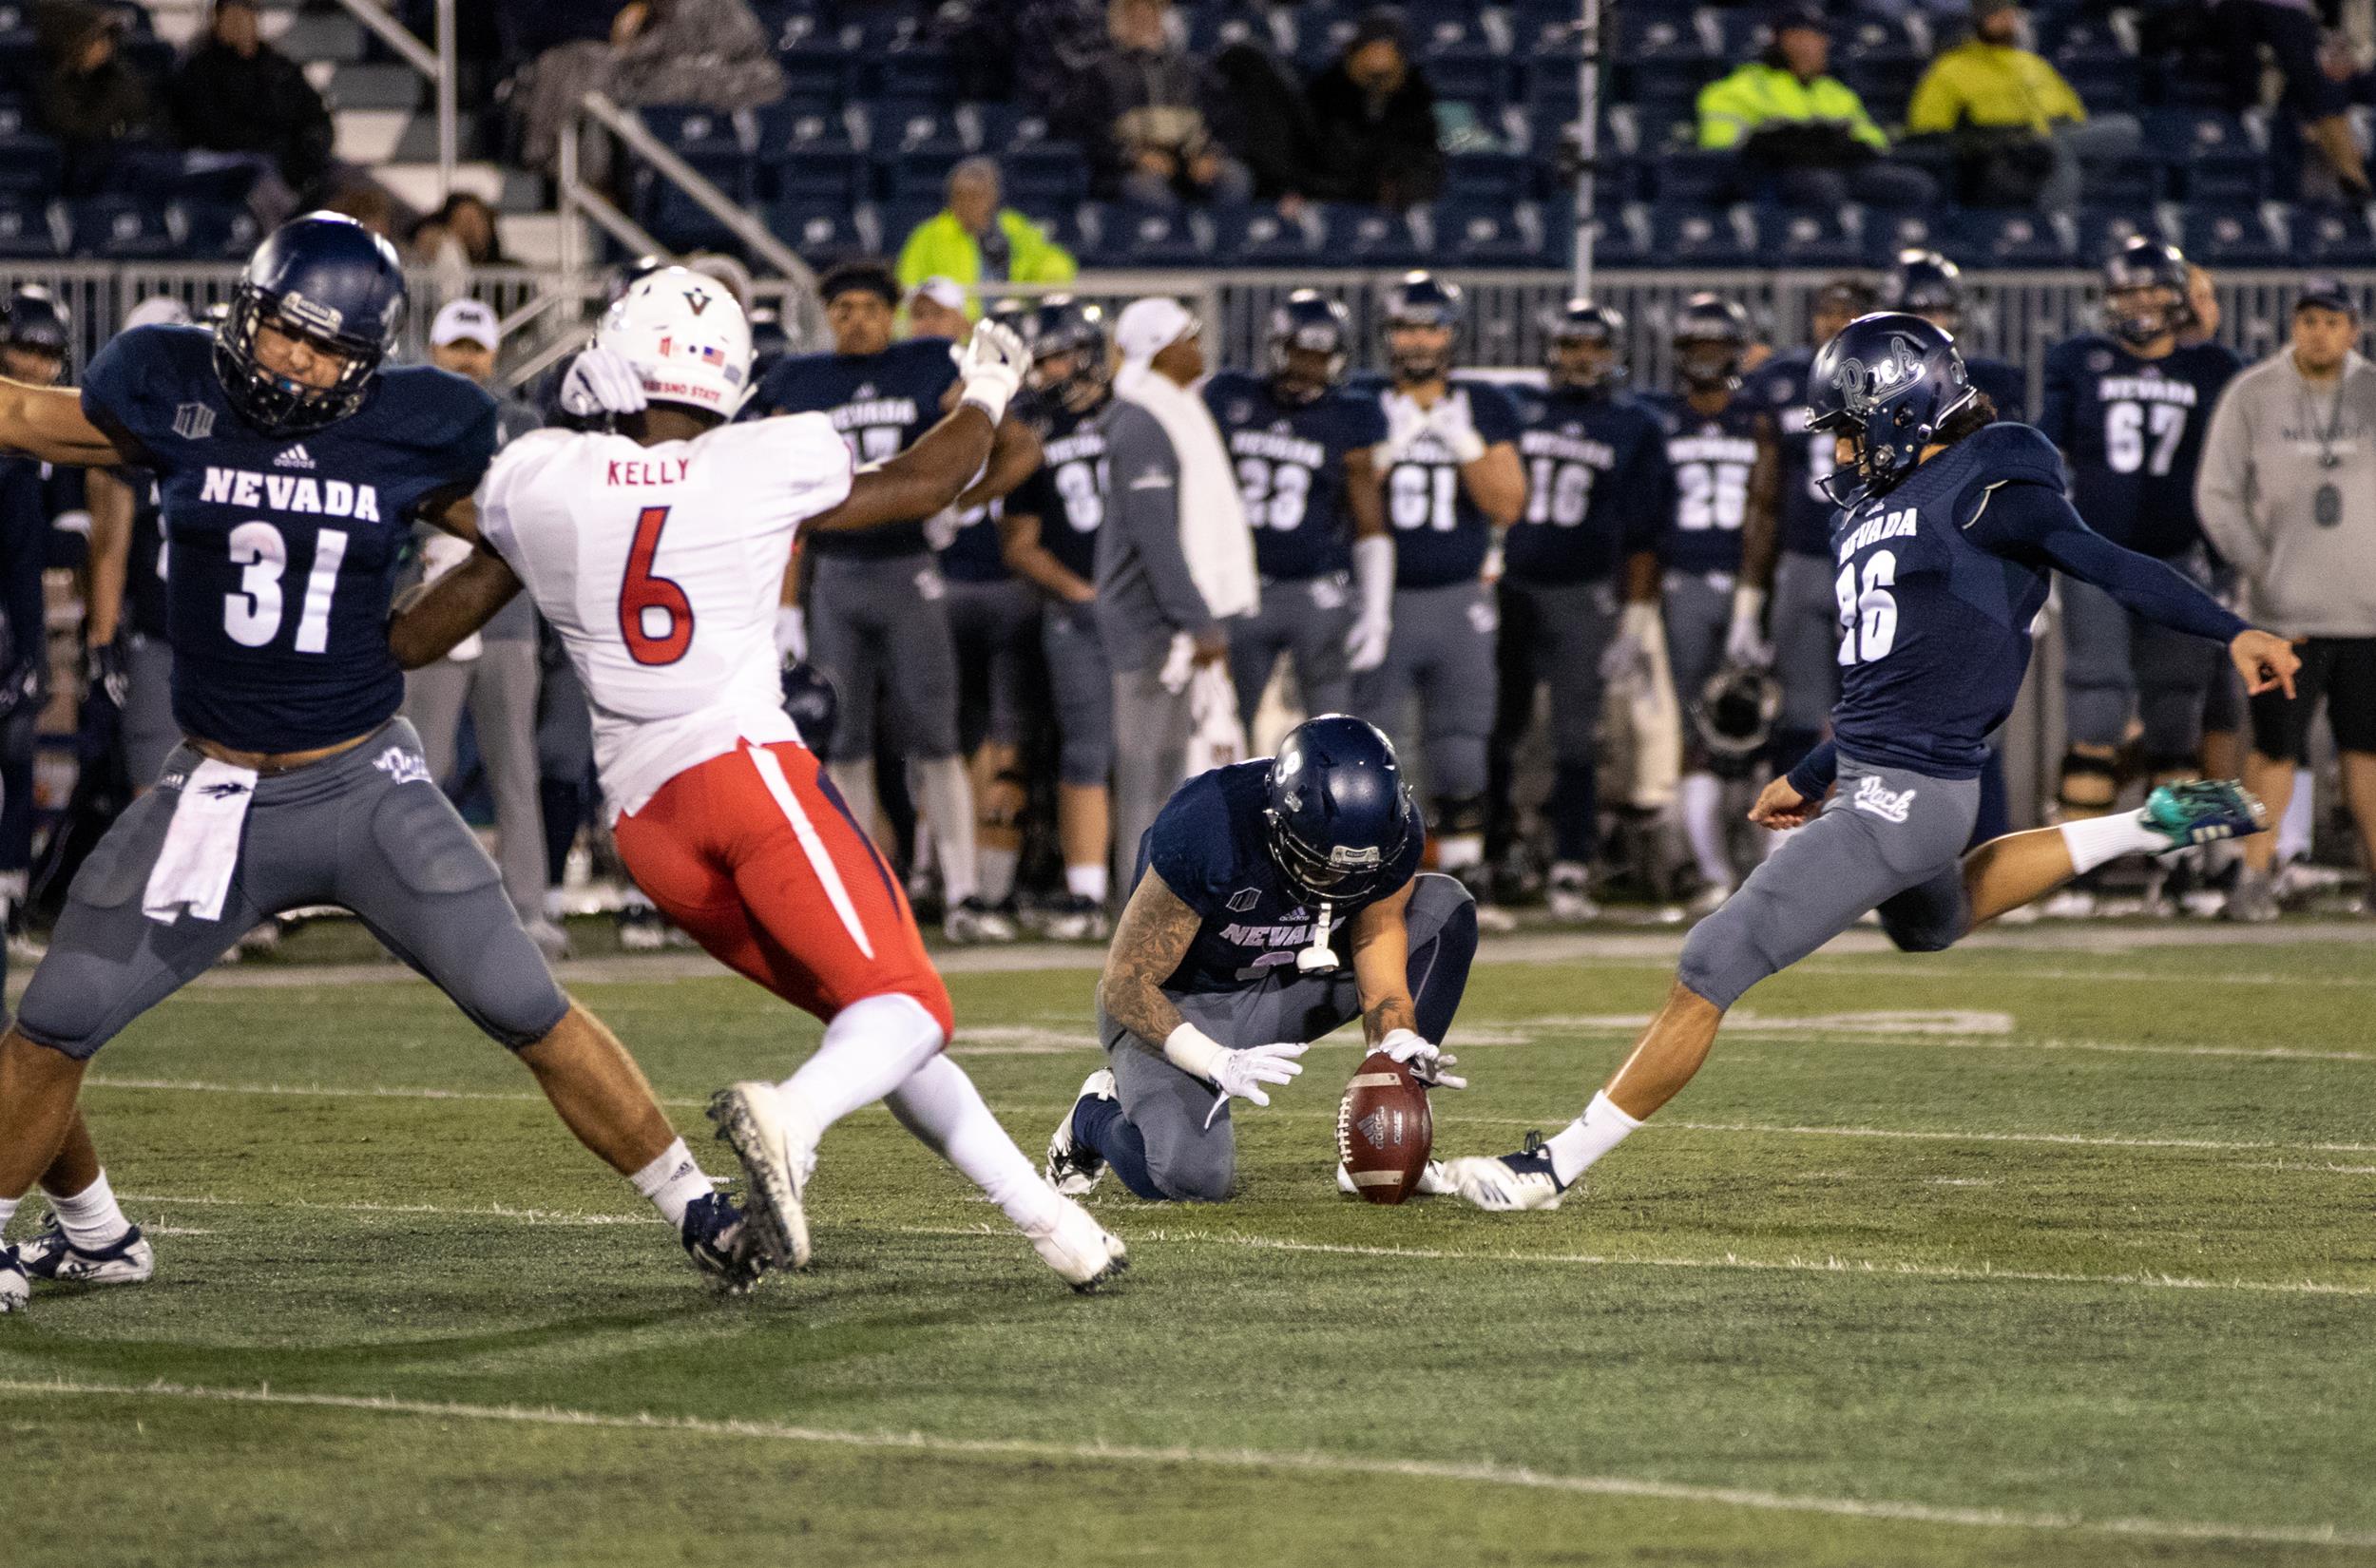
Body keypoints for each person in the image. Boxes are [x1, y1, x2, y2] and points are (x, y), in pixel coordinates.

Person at [0, 215, 754, 1314]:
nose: (294, 361)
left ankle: (699, 1207)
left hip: (363, 783)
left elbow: (522, 536)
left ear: (367, 360)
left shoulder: (420, 424)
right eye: (280, 333)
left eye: (325, 348)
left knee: (524, 1002)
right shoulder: (171, 390)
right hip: (216, 789)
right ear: (244, 314)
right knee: (56, 1021)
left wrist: (417, 629)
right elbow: (24, 411)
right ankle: (94, 1233)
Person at [1443, 313, 2300, 1213]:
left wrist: (2231, 629)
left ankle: (1552, 1169)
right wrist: (1811, 779)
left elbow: (2104, 559)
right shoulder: (1886, 508)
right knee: (1931, 922)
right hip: (1890, 781)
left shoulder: (1991, 480)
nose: (1843, 452)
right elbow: (1890, 685)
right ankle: (2148, 826)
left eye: (1850, 429)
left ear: (1903, 411)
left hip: (1908, 793)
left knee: (1710, 962)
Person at [387, 270, 1126, 1291]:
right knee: (911, 1008)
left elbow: (417, 635)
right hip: (742, 777)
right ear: (731, 376)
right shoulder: (762, 454)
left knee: (870, 1025)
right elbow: (929, 478)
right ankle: (794, 1120)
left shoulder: (542, 478)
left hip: (650, 827)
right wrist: (990, 391)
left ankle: (1053, 1227)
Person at [1044, 714, 1475, 1202]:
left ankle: (1377, 1144)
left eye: (1358, 871)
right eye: (1321, 864)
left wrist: (1397, 1040)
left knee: (1444, 909)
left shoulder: (1388, 836)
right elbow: (1125, 982)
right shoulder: (1208, 824)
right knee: (1190, 1179)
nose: (1342, 884)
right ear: (1278, 822)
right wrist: (1213, 1060)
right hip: (1183, 999)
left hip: (1290, 974)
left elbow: (1383, 982)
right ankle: (1094, 1115)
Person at [748, 260, 1043, 943]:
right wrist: (788, 601)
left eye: (869, 307)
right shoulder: (802, 380)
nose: (856, 318)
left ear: (892, 314)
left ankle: (965, 895)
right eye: (843, 307)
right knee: (842, 744)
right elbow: (779, 498)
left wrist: (961, 505)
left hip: (909, 569)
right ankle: (866, 891)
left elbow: (1018, 444)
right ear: (827, 316)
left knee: (935, 739)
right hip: (837, 575)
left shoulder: (926, 362)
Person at [2037, 239, 2244, 910]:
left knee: (2176, 719)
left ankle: (2184, 869)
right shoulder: (2079, 360)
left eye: (2151, 290)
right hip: (2097, 560)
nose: (2139, 304)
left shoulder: (2215, 368)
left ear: (2178, 296)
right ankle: (2080, 871)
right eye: (2127, 292)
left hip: (2180, 559)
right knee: (2095, 705)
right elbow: (2047, 456)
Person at [2194, 278, 2376, 921]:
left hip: (2366, 611)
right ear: (2292, 326)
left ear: (2354, 328)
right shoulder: (2253, 392)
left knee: (2367, 751)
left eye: (2331, 321)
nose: (2318, 332)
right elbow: (2217, 493)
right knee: (2272, 750)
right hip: (2281, 615)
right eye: (2307, 320)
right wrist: (2257, 561)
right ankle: (2253, 877)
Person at [1491, 300, 1674, 919]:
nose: (1582, 358)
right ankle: (1495, 857)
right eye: (1572, 345)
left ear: (1614, 353)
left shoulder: (1635, 425)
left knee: (1576, 738)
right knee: (1499, 731)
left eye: (1594, 347)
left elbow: (1646, 534)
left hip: (1583, 595)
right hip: (1510, 588)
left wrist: (1637, 621)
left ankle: (1571, 863)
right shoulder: (1514, 405)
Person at [1351, 274, 1526, 898]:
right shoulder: (1362, 400)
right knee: (1373, 743)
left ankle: (1463, 873)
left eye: (1430, 327)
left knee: (1461, 740)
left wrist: (1464, 444)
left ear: (1453, 334)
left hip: (1457, 596)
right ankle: (1368, 873)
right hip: (1380, 601)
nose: (1418, 340)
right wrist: (1382, 452)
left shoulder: (1481, 404)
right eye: (1406, 327)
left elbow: (1508, 503)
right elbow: (1342, 503)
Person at [399, 299, 564, 960]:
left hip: (506, 613)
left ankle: (529, 909)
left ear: (494, 352)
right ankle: (419, 915)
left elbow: (539, 511)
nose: (467, 359)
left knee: (514, 767)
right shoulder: (410, 419)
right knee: (421, 769)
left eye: (477, 347)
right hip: (434, 603)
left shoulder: (522, 422)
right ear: (435, 350)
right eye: (455, 346)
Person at [1095, 296, 1258, 879]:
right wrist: (1197, 619)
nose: (1198, 347)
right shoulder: (1142, 418)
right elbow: (1155, 537)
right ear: (1159, 349)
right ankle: (1137, 911)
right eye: (1186, 337)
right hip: (1152, 626)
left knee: (1180, 776)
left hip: (1171, 620)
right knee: (1150, 775)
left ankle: (1174, 904)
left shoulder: (1175, 408)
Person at [1644, 294, 1780, 911]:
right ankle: (1711, 872)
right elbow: (1643, 524)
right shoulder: (1660, 421)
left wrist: (1756, 600)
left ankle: (1771, 874)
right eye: (1694, 348)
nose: (1704, 359)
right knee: (1700, 732)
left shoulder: (1760, 416)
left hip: (1756, 585)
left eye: (1715, 347)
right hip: (1687, 582)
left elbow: (1771, 508)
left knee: (1773, 731)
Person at [1202, 292, 1390, 734]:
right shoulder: (1229, 395)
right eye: (1300, 354)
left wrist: (1377, 610)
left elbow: (1369, 519)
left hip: (1316, 593)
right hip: (1239, 589)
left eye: (1320, 357)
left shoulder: (1351, 414)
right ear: (1276, 347)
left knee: (1333, 732)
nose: (1309, 367)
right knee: (1226, 727)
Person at [1001, 298, 1123, 937]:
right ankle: (1085, 893)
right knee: (1086, 750)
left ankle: (1163, 889)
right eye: (1036, 361)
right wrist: (1082, 591)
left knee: (1163, 754)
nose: (1046, 372)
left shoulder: (1140, 414)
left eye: (1055, 356)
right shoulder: (1031, 433)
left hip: (1150, 616)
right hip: (1079, 614)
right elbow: (1018, 542)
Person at [1737, 278, 1874, 779]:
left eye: (1848, 311)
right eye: (1826, 312)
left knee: (1871, 701)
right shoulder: (1785, 377)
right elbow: (1765, 494)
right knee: (1798, 703)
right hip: (1803, 559)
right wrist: (1749, 602)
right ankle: (1787, 829)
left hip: (1873, 558)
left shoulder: (1901, 377)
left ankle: (1866, 816)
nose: (1833, 323)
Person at [82, 296, 194, 799]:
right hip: (167, 636)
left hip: (205, 640)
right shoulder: (126, 440)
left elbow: (110, 547)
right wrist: (103, 643)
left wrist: (102, 645)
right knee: (152, 800)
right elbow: (109, 548)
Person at [1905, 0, 2141, 211]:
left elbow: (2075, 112)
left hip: (2057, 133)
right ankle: (2054, 219)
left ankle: (2060, 208)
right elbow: (1928, 128)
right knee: (2058, 151)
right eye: (1998, 16)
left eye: (2011, 15)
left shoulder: (2032, 62)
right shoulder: (1951, 68)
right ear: (1978, 22)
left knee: (2124, 128)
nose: (2008, 22)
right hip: (2005, 147)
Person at [1697, 4, 1938, 209]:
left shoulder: (1836, 92)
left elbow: (1874, 144)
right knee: (1822, 185)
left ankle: (1894, 248)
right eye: (1805, 37)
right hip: (1779, 173)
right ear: (1782, 41)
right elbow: (1724, 146)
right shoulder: (1737, 88)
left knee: (1916, 186)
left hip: (1843, 168)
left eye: (1819, 37)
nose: (1818, 45)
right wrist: (1793, 141)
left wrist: (1833, 144)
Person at [515, 0, 785, 182]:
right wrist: (627, 42)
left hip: (710, 135)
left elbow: (762, 72)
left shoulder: (717, 9)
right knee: (574, 68)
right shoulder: (635, 18)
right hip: (642, 135)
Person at [0, 289, 75, 941]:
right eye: (28, 347)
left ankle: (11, 905)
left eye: (49, 353)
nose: (38, 364)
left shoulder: (42, 439)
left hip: (16, 615)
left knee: (17, 759)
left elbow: (49, 545)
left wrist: (28, 649)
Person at [1051, 0, 1253, 207]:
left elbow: (1227, 121)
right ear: (1119, 23)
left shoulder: (1192, 70)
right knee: (1146, 190)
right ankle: (1170, 237)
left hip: (1189, 163)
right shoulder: (1100, 72)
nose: (1146, 23)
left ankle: (1223, 236)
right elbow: (1084, 129)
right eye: (1136, 18)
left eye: (1151, 17)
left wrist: (1211, 154)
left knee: (1235, 179)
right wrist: (1133, 157)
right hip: (1129, 169)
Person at [167, 0, 335, 199]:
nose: (241, 24)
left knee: (347, 180)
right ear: (217, 21)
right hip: (229, 160)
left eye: (246, 15)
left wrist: (312, 144)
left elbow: (314, 115)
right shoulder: (200, 68)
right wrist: (275, 145)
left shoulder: (279, 67)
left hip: (288, 156)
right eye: (233, 17)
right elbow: (211, 129)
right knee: (264, 177)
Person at [1305, 6, 1445, 210]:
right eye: (1371, 47)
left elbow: (1424, 156)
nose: (1378, 60)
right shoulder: (1326, 91)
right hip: (1335, 195)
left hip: (1395, 202)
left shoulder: (1417, 94)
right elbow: (1313, 155)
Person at [893, 160, 1078, 309]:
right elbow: (907, 288)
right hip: (953, 334)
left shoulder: (1014, 228)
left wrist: (1048, 279)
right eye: (960, 195)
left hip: (1009, 326)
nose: (968, 203)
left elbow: (1052, 261)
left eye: (976, 195)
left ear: (993, 196)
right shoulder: (927, 236)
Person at [1876, 250, 2025, 418]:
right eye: (1925, 312)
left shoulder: (1987, 379)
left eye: (1944, 311)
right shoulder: (1877, 380)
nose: (1935, 322)